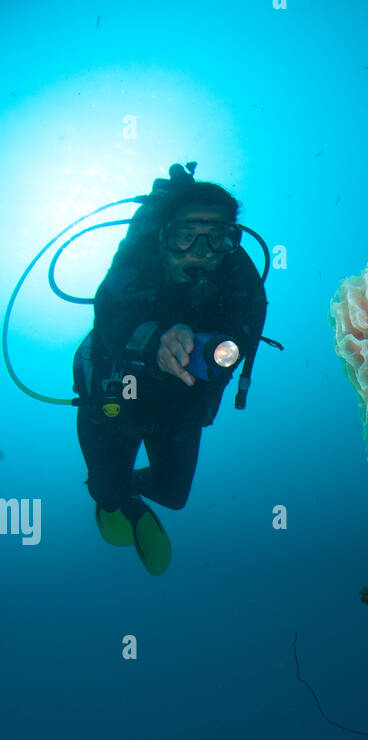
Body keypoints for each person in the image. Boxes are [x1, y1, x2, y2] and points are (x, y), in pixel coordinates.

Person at [73, 163, 267, 574]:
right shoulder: (135, 265)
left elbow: (243, 334)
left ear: (233, 240)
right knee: (105, 491)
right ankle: (116, 495)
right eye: (184, 235)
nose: (200, 251)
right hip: (115, 395)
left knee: (174, 494)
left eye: (217, 237)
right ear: (162, 237)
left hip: (179, 406)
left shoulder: (239, 281)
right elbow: (108, 313)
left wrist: (207, 348)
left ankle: (128, 490)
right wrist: (156, 340)